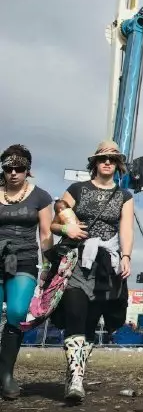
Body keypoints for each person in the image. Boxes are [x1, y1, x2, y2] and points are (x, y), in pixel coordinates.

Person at [50, 141, 135, 404]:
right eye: (102, 159)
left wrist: (126, 256)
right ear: (95, 163)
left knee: (89, 322)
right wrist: (68, 230)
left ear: (118, 164)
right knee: (75, 312)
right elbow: (56, 220)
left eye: (112, 159)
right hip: (76, 259)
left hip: (105, 266)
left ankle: (76, 373)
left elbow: (126, 229)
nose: (107, 162)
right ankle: (75, 379)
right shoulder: (78, 189)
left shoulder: (124, 195)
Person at [0, 144, 53, 400]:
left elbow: (45, 234)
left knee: (17, 313)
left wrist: (48, 265)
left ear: (27, 170)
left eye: (18, 168)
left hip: (24, 261)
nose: (13, 173)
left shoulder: (40, 197)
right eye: (8, 168)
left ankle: (6, 375)